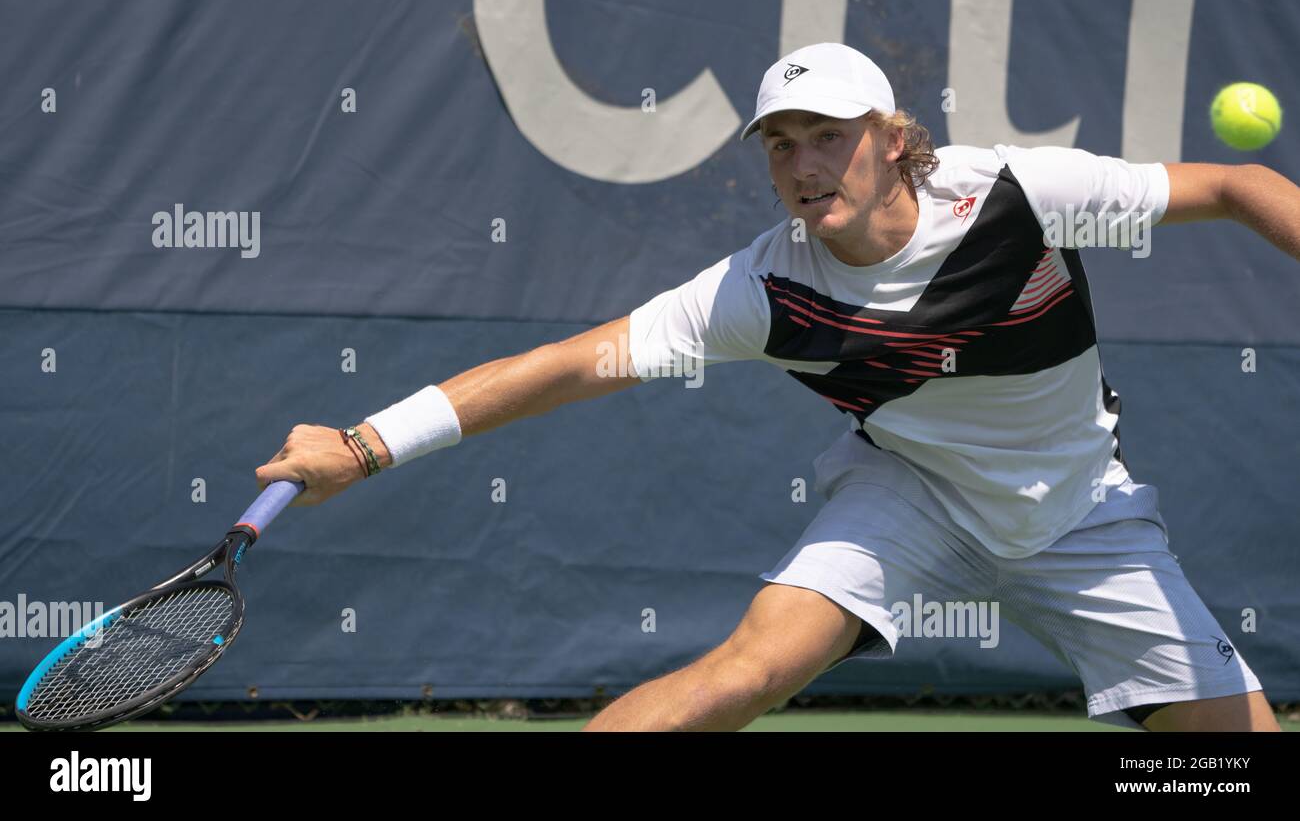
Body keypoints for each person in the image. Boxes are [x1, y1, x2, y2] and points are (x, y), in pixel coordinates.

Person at [256, 42, 1299, 731]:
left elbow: (1237, 185)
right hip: (912, 495)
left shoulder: (1015, 195)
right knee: (743, 675)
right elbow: (566, 364)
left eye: (829, 137)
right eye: (782, 143)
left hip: (1079, 510)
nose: (805, 164)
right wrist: (363, 446)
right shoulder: (761, 290)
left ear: (893, 141)